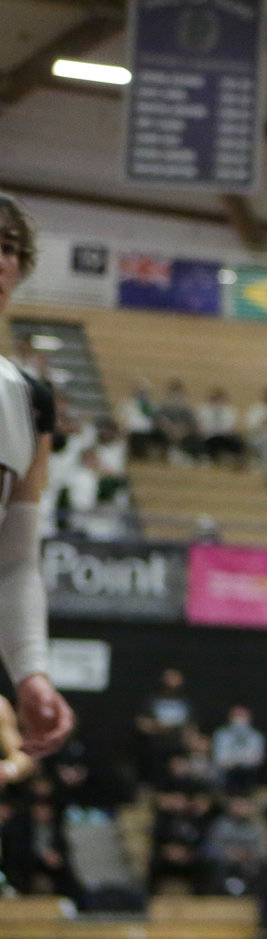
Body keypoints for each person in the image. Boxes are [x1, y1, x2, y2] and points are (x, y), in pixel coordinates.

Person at [0, 194, 75, 763]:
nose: (1, 261)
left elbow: (16, 563)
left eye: (9, 249)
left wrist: (30, 671)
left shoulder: (29, 402)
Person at [197, 388, 245, 466]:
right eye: (215, 399)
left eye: (220, 399)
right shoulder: (203, 410)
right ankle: (206, 457)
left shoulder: (231, 410)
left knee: (237, 440)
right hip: (209, 436)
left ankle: (238, 460)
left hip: (226, 436)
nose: (218, 401)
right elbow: (200, 425)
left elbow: (235, 426)